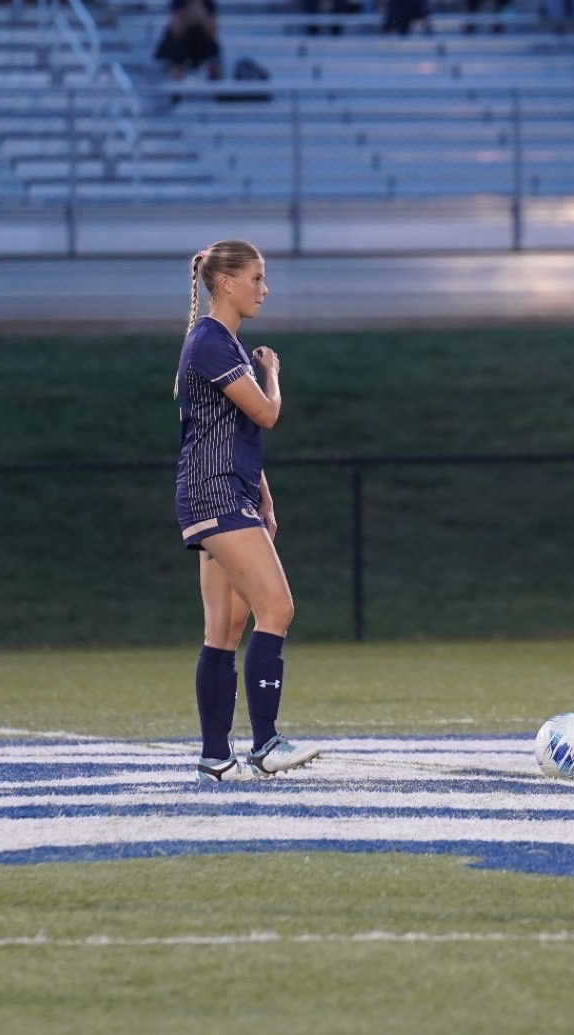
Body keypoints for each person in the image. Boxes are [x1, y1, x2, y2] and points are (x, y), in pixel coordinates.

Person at [176, 239, 320, 783]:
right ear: (226, 283)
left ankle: (215, 756)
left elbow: (224, 429)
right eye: (256, 278)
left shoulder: (223, 343)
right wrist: (274, 372)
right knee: (277, 609)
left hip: (221, 490)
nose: (265, 288)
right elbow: (263, 413)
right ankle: (266, 744)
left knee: (224, 628)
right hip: (215, 495)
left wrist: (263, 491)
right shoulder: (212, 342)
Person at [155, 0, 220, 81]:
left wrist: (201, 15)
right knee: (177, 46)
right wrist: (188, 13)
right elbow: (176, 31)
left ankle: (215, 82)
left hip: (200, 41)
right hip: (180, 42)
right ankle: (176, 82)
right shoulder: (178, 2)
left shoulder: (207, 3)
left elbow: (212, 31)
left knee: (213, 49)